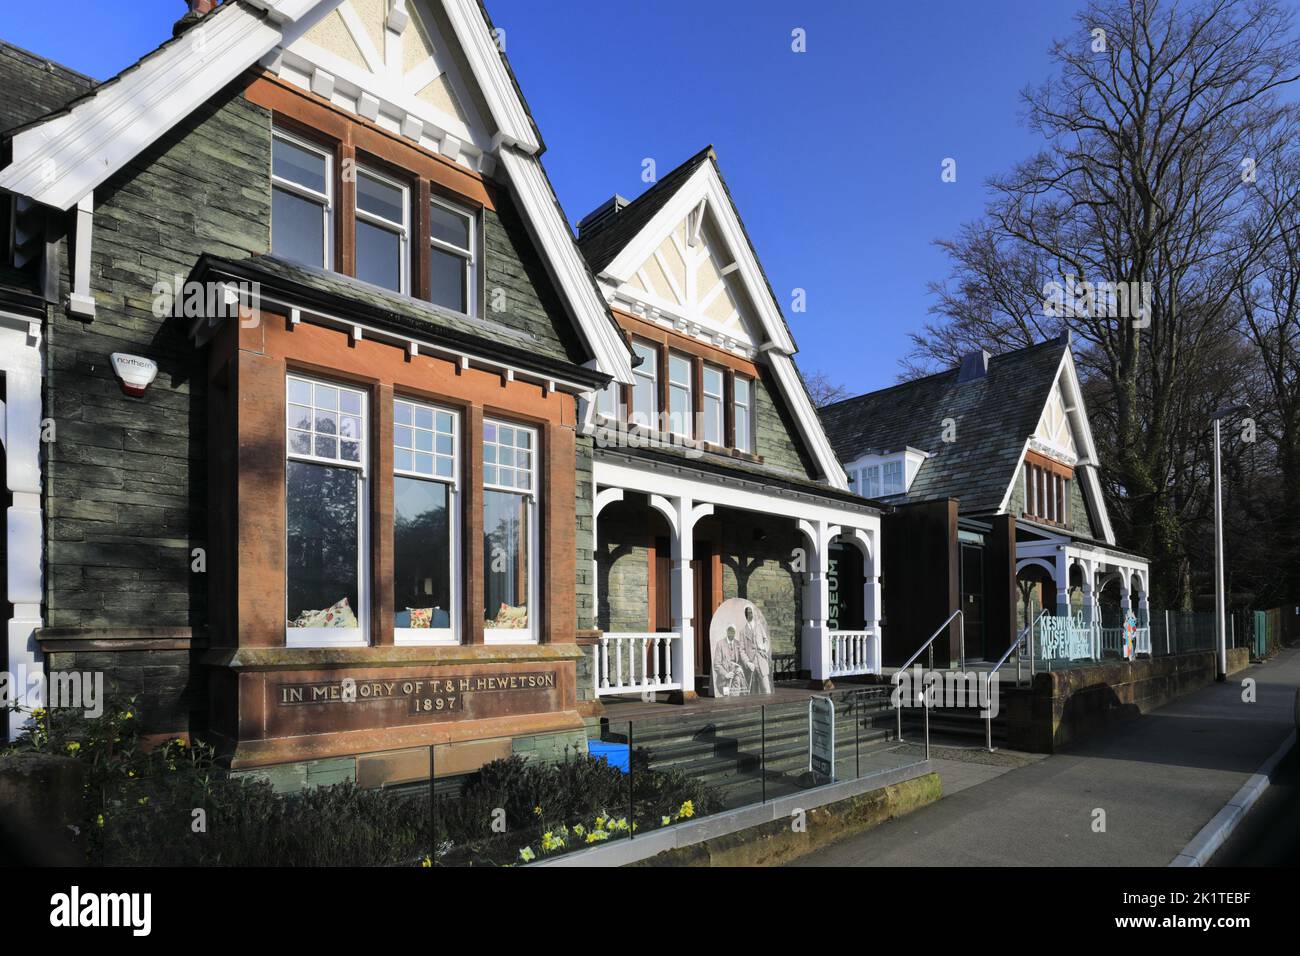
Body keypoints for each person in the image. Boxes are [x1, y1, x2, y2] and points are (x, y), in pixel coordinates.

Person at [740, 604, 773, 694]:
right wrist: (747, 662)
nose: (749, 615)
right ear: (745, 615)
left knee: (766, 688)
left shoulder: (759, 626)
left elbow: (766, 639)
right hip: (751, 664)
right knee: (753, 690)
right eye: (747, 613)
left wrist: (764, 648)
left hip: (761, 660)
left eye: (750, 612)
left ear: (753, 614)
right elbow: (741, 650)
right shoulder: (742, 631)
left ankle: (768, 705)